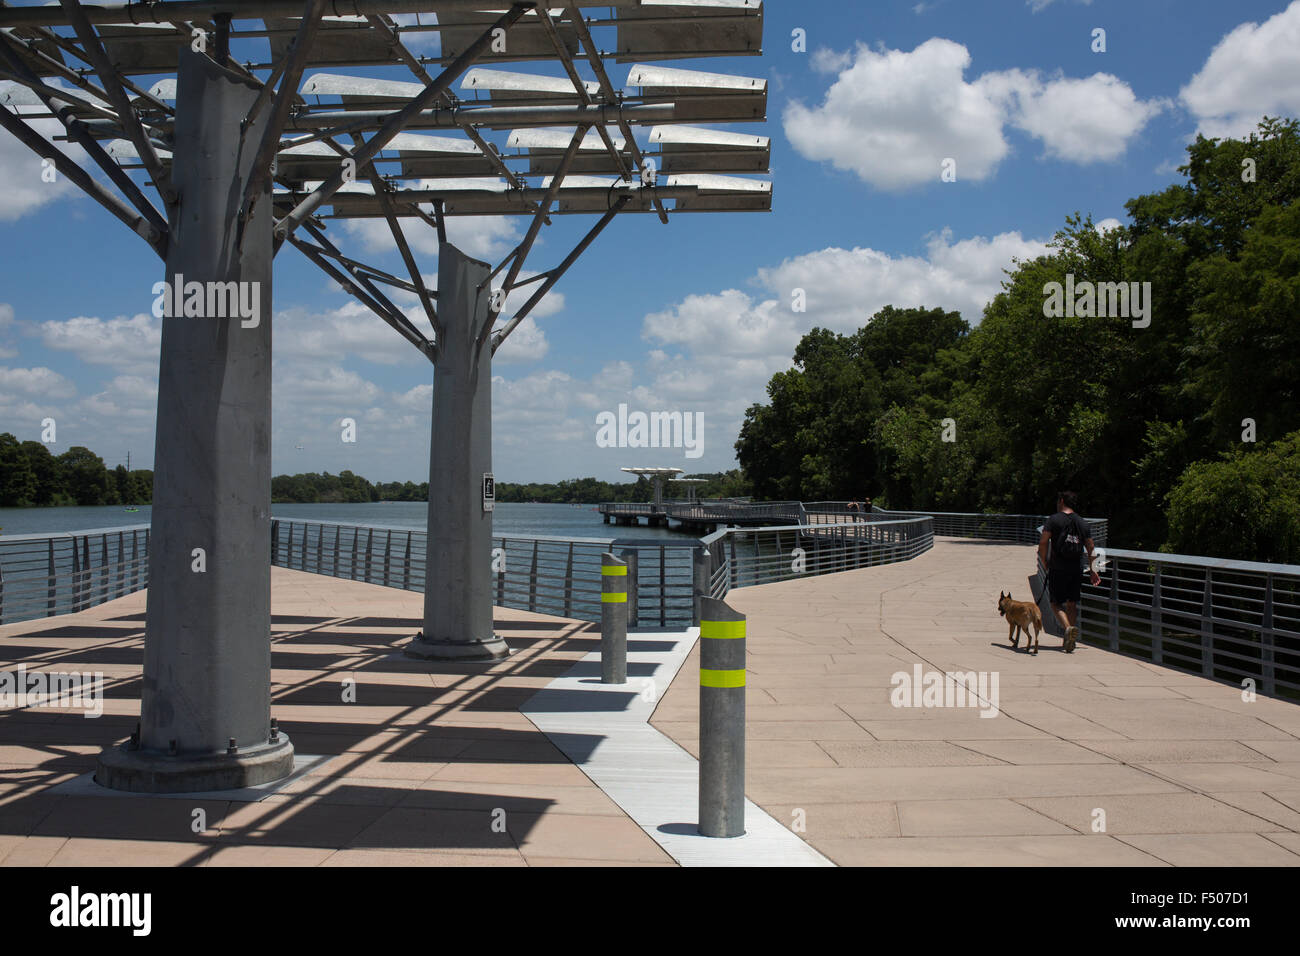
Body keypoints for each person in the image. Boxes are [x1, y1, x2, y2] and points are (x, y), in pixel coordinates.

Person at [1037, 490, 1101, 653]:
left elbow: (1043, 542)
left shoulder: (1053, 519)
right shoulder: (1083, 523)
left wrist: (1044, 561)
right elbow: (1091, 547)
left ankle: (1068, 630)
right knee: (1072, 603)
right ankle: (1069, 639)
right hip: (1076, 568)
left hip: (1058, 567)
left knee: (1055, 603)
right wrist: (1094, 570)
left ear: (1062, 501)